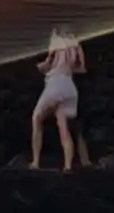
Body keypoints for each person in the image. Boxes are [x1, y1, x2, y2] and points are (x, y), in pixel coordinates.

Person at [30, 29, 87, 171]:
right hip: (70, 87)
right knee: (64, 128)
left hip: (55, 84)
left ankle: (35, 162)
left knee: (36, 118)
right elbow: (81, 69)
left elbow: (47, 64)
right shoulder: (76, 45)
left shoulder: (55, 43)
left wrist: (42, 66)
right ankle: (68, 166)